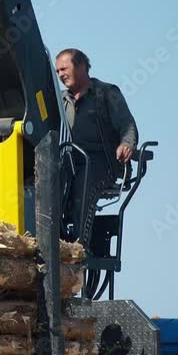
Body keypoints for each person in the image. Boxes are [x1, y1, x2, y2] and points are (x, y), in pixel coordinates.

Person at [55, 48, 138, 246]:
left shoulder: (107, 94)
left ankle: (78, 245)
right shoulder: (59, 100)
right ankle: (53, 239)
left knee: (84, 183)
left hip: (102, 162)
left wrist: (127, 144)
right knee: (47, 181)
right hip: (69, 160)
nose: (60, 75)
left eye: (64, 69)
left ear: (82, 67)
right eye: (57, 71)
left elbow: (127, 125)